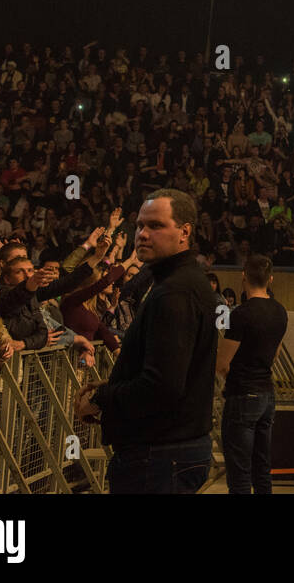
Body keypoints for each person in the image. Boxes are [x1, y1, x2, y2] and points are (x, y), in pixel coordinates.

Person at [73, 189, 218, 494]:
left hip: (160, 455)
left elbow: (162, 386)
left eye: (155, 226)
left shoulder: (176, 292)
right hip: (166, 452)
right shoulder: (176, 282)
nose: (142, 234)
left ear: (184, 232)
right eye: (140, 225)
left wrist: (101, 401)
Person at [216, 254, 287, 495]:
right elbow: (274, 355)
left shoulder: (241, 314)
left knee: (239, 473)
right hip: (267, 394)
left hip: (243, 394)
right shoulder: (280, 311)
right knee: (261, 468)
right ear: (271, 279)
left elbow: (222, 363)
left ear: (243, 276)